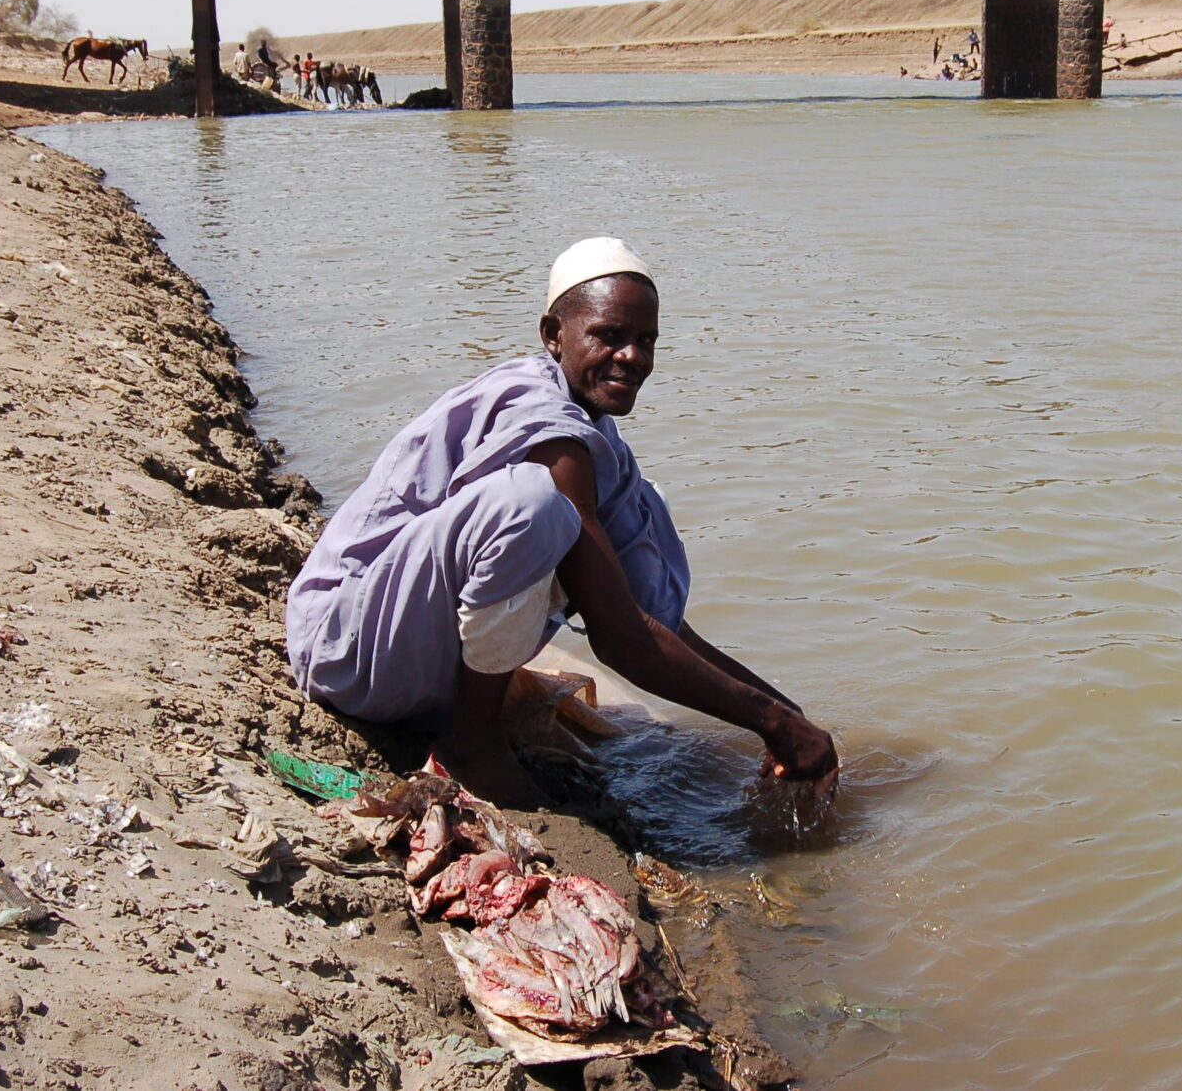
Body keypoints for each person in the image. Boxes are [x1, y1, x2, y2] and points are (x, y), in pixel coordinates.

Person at [285, 237, 839, 809]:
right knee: (535, 506)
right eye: (608, 335)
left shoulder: (599, 440)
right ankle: (472, 743)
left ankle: (470, 719)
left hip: (415, 667)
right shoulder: (547, 428)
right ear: (554, 335)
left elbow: (656, 625)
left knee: (638, 510)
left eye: (645, 340)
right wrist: (769, 720)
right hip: (346, 652)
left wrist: (788, 719)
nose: (632, 357)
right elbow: (622, 640)